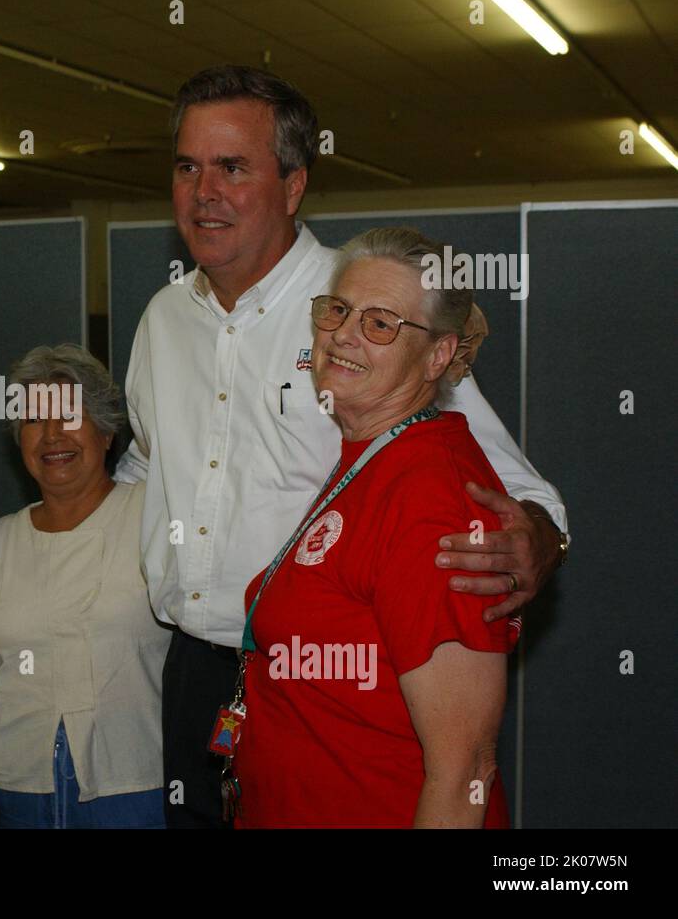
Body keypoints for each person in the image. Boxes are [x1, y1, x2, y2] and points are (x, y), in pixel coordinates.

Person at [116, 65, 570, 827]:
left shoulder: (367, 309)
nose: (204, 192)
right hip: (200, 673)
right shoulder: (163, 318)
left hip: (342, 680)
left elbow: (518, 490)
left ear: (293, 184)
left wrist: (541, 540)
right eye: (187, 167)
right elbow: (150, 463)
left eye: (233, 167)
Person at [230, 227, 517, 827]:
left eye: (381, 323)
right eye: (338, 310)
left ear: (438, 354)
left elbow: (465, 769)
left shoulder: (431, 499)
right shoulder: (371, 460)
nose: (342, 334)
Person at [0, 345, 171, 828]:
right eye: (33, 420)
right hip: (22, 786)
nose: (51, 436)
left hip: (137, 785)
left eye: (69, 416)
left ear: (106, 431)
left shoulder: (156, 516)